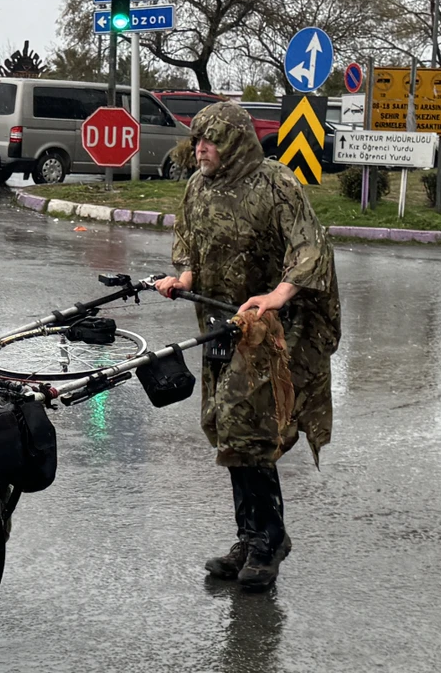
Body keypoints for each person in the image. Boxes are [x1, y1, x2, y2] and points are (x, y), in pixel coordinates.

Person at [154, 100, 341, 590]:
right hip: (221, 323)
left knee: (249, 427)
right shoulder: (198, 187)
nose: (200, 149)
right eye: (197, 141)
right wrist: (183, 277)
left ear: (234, 142)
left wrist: (275, 298)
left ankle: (268, 540)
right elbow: (191, 241)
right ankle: (251, 534)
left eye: (209, 141)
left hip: (269, 328)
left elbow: (310, 248)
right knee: (226, 424)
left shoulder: (275, 183)